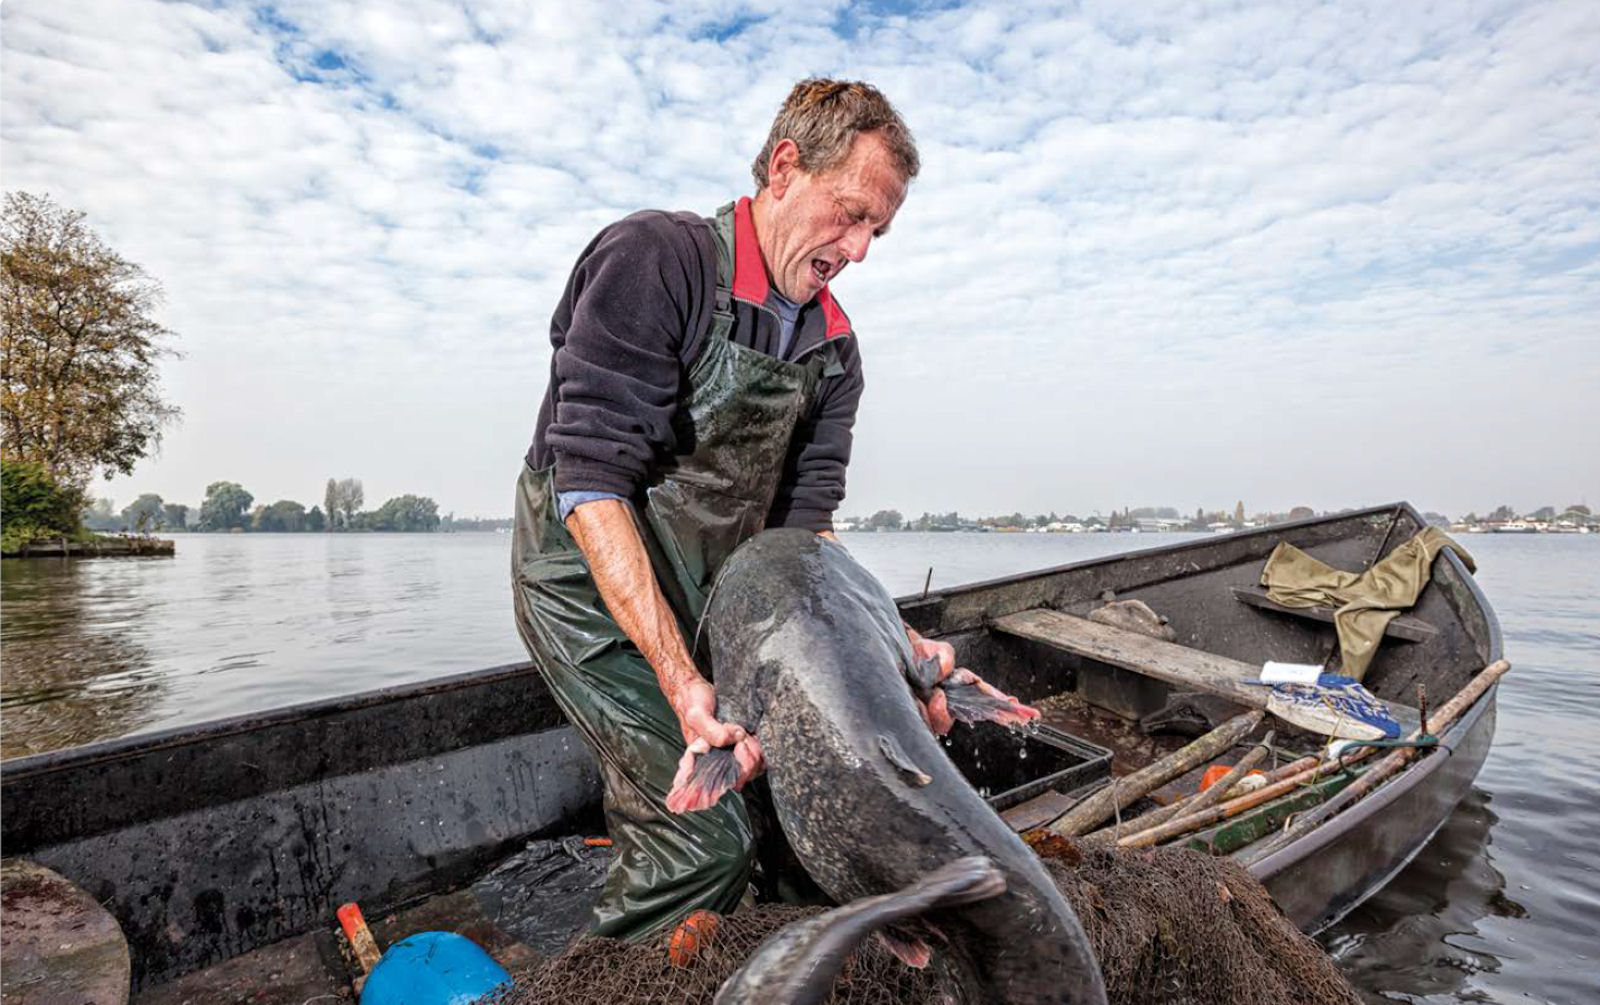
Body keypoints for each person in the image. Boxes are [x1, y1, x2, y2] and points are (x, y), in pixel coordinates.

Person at [512, 78, 979, 941]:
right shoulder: (658, 260)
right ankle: (629, 970)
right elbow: (591, 482)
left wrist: (893, 647)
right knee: (705, 846)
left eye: (877, 230)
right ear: (785, 167)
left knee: (816, 823)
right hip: (585, 577)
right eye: (851, 214)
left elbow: (805, 539)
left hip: (720, 588)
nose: (860, 249)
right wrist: (680, 679)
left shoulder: (835, 351)